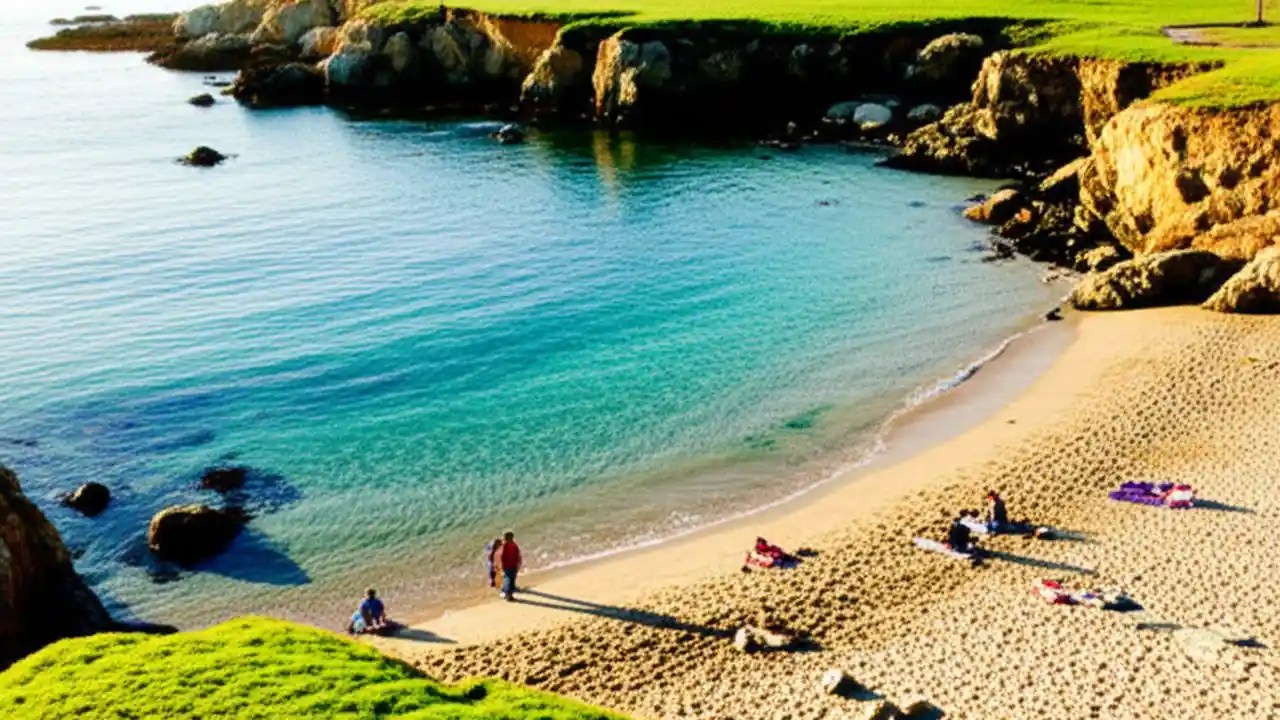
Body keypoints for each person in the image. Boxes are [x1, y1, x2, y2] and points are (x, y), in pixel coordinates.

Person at [498, 530, 522, 601]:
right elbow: (518, 554)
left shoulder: (504, 546)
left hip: (508, 565)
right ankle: (509, 592)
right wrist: (519, 562)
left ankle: (508, 592)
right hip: (513, 564)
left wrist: (500, 564)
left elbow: (501, 556)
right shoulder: (514, 545)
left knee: (508, 578)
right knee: (511, 578)